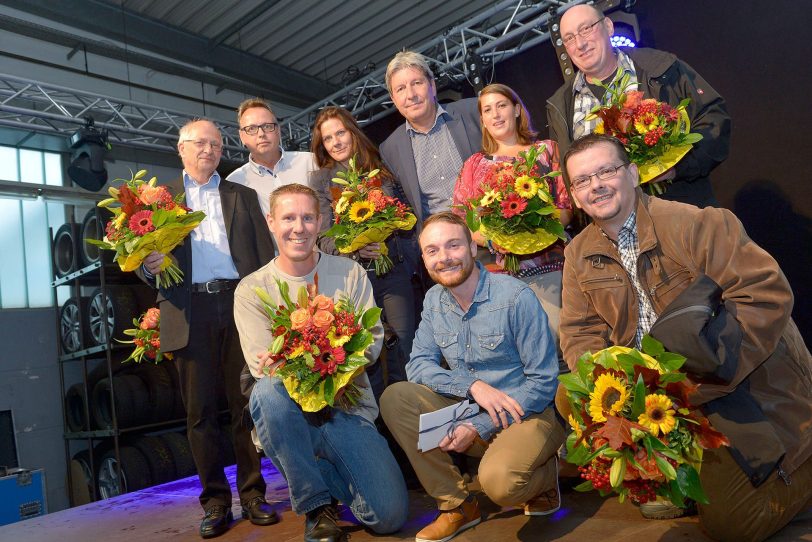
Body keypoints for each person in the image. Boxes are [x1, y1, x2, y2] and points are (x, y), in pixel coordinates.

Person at [558, 133, 812, 540]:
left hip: (737, 386)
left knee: (733, 526)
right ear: (574, 194)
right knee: (570, 393)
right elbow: (579, 332)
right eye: (583, 180)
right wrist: (616, 392)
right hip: (661, 399)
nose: (596, 185)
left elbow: (764, 296)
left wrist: (702, 382)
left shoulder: (698, 223)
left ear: (634, 172)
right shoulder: (577, 254)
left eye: (606, 171)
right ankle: (678, 470)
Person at [233, 184, 408, 542]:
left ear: (320, 222)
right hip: (293, 416)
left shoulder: (349, 273)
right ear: (270, 221)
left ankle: (327, 472)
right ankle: (317, 506)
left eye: (307, 217)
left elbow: (371, 342)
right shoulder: (252, 290)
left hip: (348, 410)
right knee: (266, 393)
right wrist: (323, 353)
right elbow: (264, 368)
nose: (298, 227)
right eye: (288, 217)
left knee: (389, 518)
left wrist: (323, 357)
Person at [380, 212, 564, 542]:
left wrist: (475, 426)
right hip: (469, 410)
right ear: (423, 259)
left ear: (471, 246)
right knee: (397, 397)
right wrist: (472, 386)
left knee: (502, 486)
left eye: (453, 245)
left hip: (527, 415)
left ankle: (547, 473)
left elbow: (542, 383)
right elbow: (418, 365)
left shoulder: (515, 298)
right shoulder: (434, 300)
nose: (444, 257)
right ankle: (456, 504)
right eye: (432, 250)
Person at [138, 119, 278, 539]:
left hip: (241, 304)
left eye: (216, 145)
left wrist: (271, 309)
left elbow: (262, 255)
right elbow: (142, 258)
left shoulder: (243, 195)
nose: (209, 150)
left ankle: (253, 495)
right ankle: (215, 502)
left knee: (245, 406)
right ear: (180, 149)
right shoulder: (160, 202)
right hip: (189, 309)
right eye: (200, 143)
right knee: (199, 414)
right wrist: (148, 266)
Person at [546, 3, 730, 208]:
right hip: (614, 232)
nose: (579, 43)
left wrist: (678, 168)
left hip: (683, 210)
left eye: (586, 29)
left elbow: (712, 118)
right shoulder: (560, 106)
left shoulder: (660, 67)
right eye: (569, 38)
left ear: (608, 26)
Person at [453, 83, 572, 350]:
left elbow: (565, 205)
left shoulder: (547, 150)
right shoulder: (474, 165)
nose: (495, 114)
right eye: (487, 110)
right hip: (499, 278)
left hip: (551, 266)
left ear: (517, 109)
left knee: (563, 346)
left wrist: (534, 230)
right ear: (482, 120)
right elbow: (463, 219)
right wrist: (497, 239)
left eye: (502, 105)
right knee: (522, 355)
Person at [310, 106, 419, 397]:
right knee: (367, 356)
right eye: (328, 138)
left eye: (340, 133)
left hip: (393, 273)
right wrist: (358, 251)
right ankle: (378, 427)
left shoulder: (382, 168)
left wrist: (402, 254)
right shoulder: (321, 180)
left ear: (353, 132)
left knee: (405, 349)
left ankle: (406, 418)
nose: (336, 142)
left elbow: (407, 216)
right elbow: (323, 239)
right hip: (353, 281)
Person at [379, 51, 482, 226]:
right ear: (393, 99)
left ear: (432, 85)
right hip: (443, 244)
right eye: (401, 89)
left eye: (417, 83)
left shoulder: (473, 111)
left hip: (491, 229)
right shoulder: (390, 149)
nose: (411, 94)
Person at [227, 98, 326, 218]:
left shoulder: (311, 162)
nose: (261, 134)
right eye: (251, 129)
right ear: (242, 137)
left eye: (267, 126)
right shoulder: (235, 183)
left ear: (278, 130)